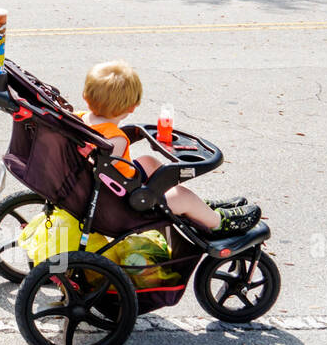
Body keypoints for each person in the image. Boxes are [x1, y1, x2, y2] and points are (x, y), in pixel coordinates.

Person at [81, 61, 261, 238]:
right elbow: (102, 170)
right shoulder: (115, 140)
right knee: (182, 196)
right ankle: (217, 221)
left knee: (148, 162)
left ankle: (200, 208)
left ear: (86, 96)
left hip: (112, 187)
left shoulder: (80, 119)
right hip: (124, 204)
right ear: (132, 107)